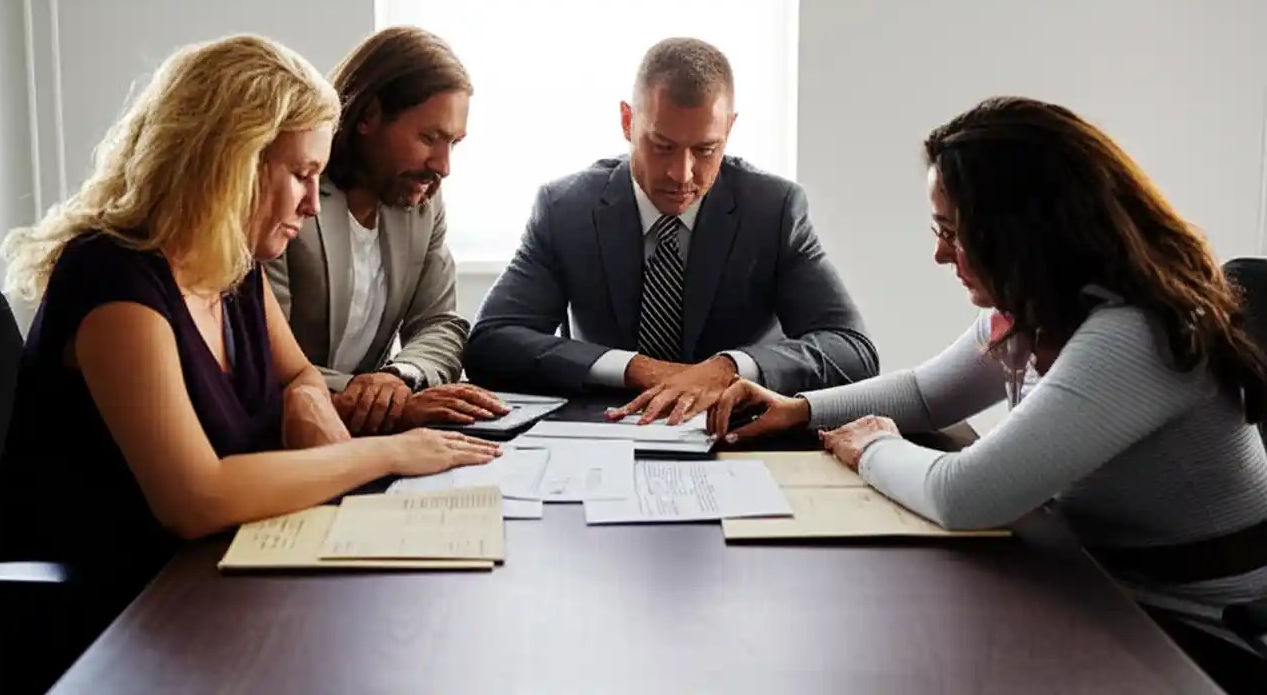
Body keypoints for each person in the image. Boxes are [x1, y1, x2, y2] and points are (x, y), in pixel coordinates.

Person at [707, 96, 1267, 691]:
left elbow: (966, 494)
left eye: (953, 232)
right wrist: (800, 409)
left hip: (1202, 628)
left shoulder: (1135, 334)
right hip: (1102, 581)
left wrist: (870, 446)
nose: (940, 253)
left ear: (1021, 233)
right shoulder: (1035, 309)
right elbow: (926, 393)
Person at [0, 34, 501, 655]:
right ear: (231, 161)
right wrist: (393, 453)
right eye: (303, 175)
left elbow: (300, 376)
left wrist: (307, 398)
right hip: (116, 620)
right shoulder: (112, 280)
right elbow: (195, 499)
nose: (314, 204)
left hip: (220, 581)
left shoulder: (234, 267)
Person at [465, 37, 877, 424]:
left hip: (735, 434)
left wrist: (727, 368)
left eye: (705, 150)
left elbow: (853, 351)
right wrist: (636, 369)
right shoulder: (566, 208)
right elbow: (491, 343)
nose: (682, 175)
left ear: (729, 130)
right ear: (628, 122)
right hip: (604, 432)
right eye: (662, 146)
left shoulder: (774, 210)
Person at [265, 26, 508, 436]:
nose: (443, 165)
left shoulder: (422, 203)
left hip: (368, 430)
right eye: (429, 137)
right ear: (369, 116)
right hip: (283, 429)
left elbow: (441, 323)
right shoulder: (287, 197)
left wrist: (401, 377)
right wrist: (370, 396)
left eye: (454, 143)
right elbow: (264, 354)